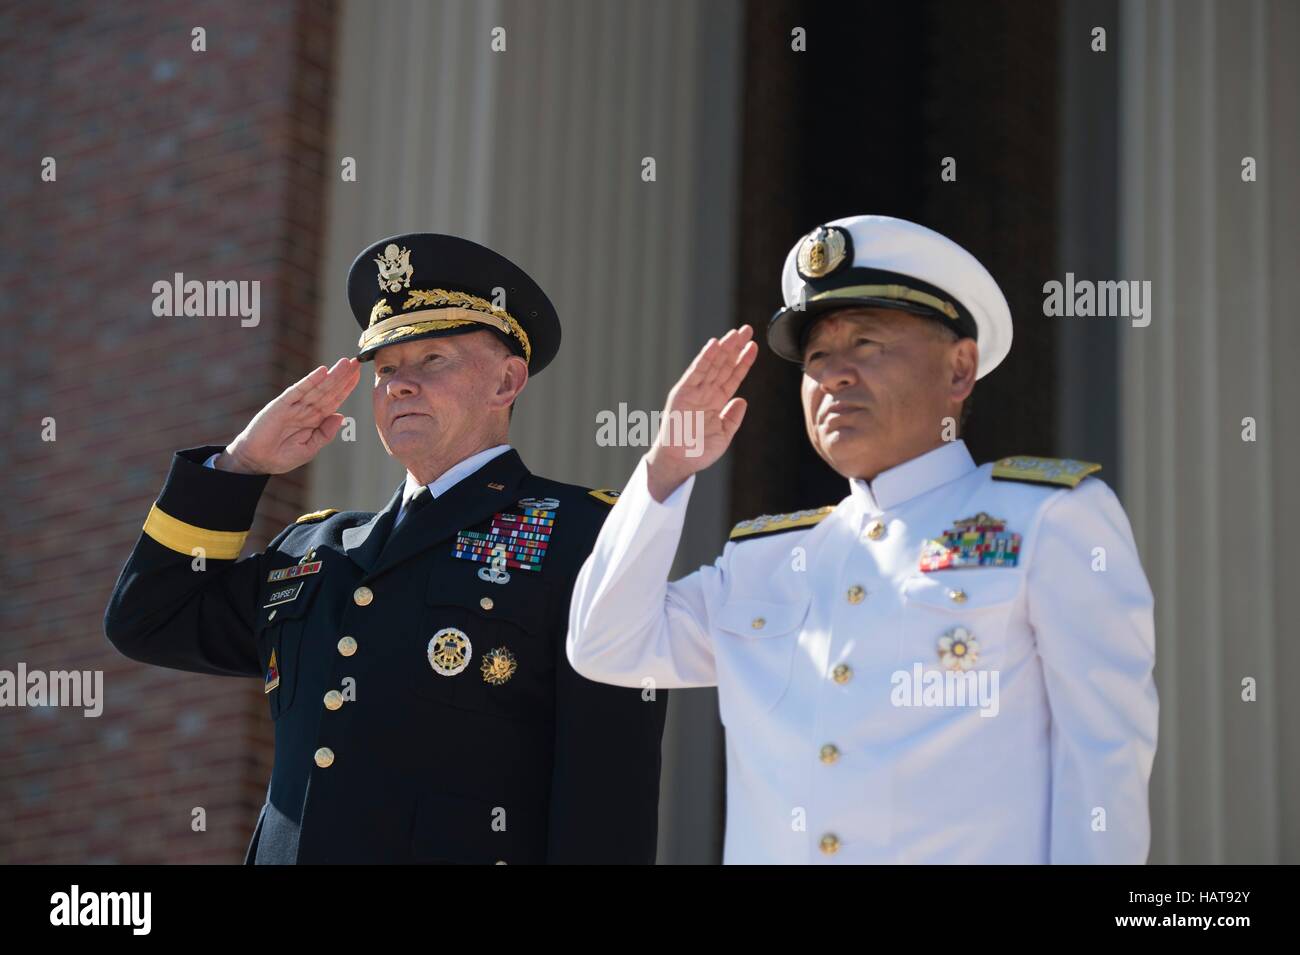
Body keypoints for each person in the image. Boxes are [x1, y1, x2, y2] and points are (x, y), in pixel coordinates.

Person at [567, 214, 1158, 864]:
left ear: (960, 369)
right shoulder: (766, 559)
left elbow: (1104, 761)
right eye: (817, 357)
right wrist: (666, 468)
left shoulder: (1046, 520)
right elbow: (604, 646)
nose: (834, 375)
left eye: (867, 343)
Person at [106, 232, 667, 864]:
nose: (400, 385)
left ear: (507, 381)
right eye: (386, 370)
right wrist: (239, 466)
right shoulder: (314, 549)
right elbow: (148, 620)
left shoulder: (584, 534)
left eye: (433, 359)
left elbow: (607, 787)